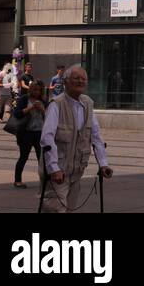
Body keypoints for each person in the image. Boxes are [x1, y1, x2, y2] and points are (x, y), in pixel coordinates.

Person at [40, 65, 113, 213]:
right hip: (58, 171)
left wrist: (103, 164)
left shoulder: (87, 104)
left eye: (83, 79)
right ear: (65, 82)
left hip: (76, 171)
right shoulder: (57, 104)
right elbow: (47, 139)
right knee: (54, 209)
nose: (80, 81)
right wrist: (53, 168)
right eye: (76, 78)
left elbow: (96, 137)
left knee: (69, 209)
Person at [12, 80, 48, 189]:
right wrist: (30, 108)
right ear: (30, 89)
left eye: (38, 90)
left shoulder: (43, 100)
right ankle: (17, 180)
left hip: (39, 133)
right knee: (23, 157)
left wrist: (42, 109)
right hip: (26, 133)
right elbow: (17, 114)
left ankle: (44, 180)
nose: (36, 92)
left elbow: (50, 117)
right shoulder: (24, 99)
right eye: (34, 89)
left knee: (41, 158)